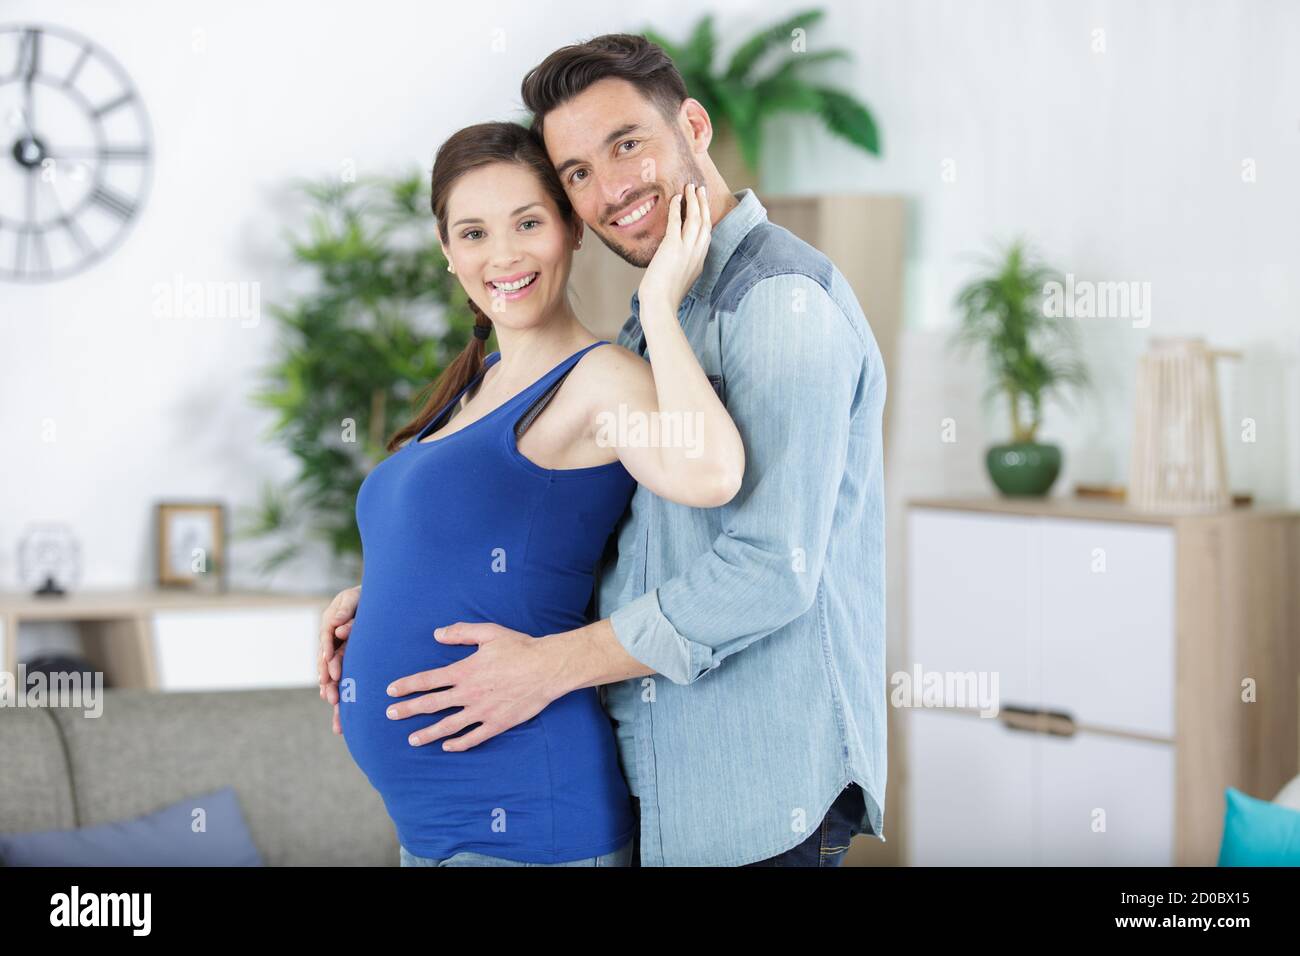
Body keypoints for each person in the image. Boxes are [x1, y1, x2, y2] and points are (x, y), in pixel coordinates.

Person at [321, 33, 887, 867]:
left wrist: (548, 667)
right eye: (578, 172)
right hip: (657, 773)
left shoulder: (775, 306)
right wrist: (403, 598)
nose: (610, 187)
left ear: (693, 125)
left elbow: (771, 565)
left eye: (627, 144)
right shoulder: (661, 315)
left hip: (753, 784)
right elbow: (594, 537)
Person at [333, 118, 743, 866]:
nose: (505, 255)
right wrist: (369, 602)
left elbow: (711, 473)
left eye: (528, 222)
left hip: (529, 814)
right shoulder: (475, 384)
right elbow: (476, 538)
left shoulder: (597, 380)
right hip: (432, 828)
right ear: (447, 252)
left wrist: (658, 307)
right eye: (475, 233)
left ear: (571, 231)